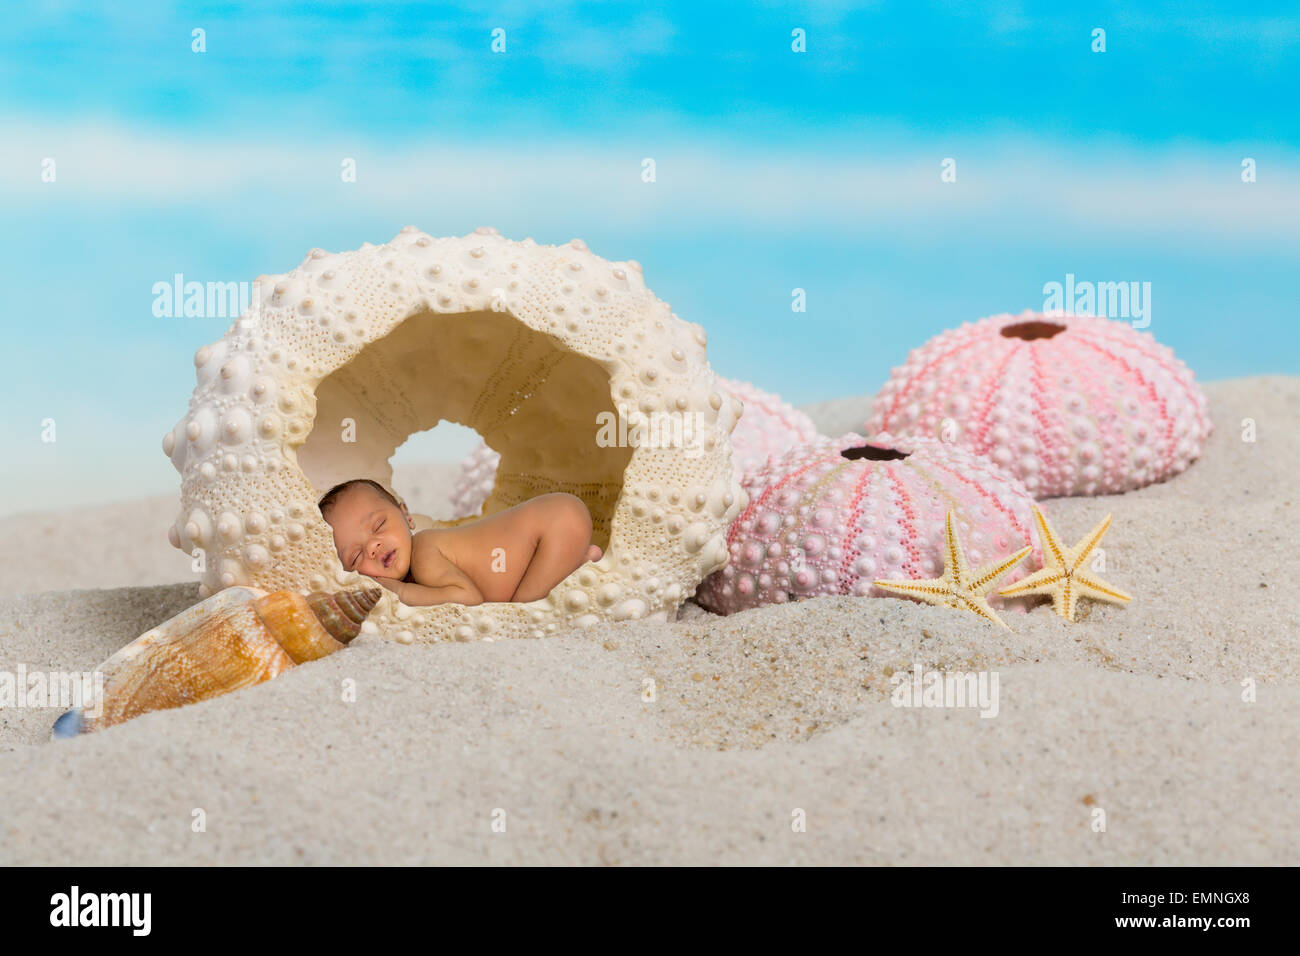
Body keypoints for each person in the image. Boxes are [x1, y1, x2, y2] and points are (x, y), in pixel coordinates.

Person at [318, 479, 601, 607]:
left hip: (554, 522)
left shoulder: (424, 553)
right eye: (356, 557)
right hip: (552, 532)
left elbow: (468, 598)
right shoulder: (423, 566)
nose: (372, 547)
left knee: (523, 612)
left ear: (406, 515)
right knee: (532, 595)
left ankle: (573, 553)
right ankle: (576, 559)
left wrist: (401, 592)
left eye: (379, 525)